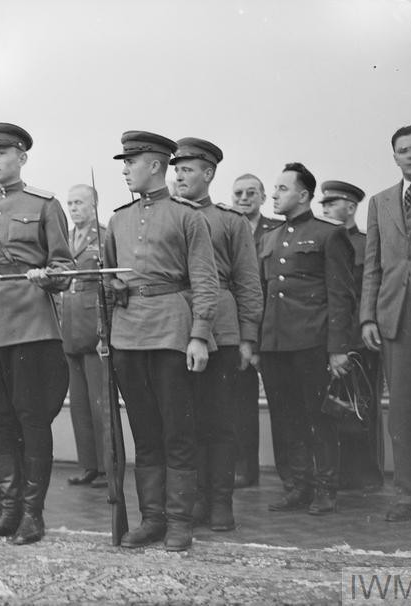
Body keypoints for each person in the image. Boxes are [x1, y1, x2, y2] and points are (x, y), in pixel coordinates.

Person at [105, 131, 219, 551]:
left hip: (171, 331)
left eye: (130, 162)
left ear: (154, 165)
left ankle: (179, 522)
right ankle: (152, 519)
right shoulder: (117, 220)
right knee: (144, 433)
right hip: (127, 334)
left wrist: (199, 336)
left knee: (178, 432)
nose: (124, 170)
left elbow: (205, 281)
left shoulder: (188, 216)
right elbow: (107, 283)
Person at [0, 122, 72, 545]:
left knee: (31, 418)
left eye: (2, 153)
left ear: (22, 158)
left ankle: (32, 515)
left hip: (29, 323)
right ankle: (8, 512)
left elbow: (64, 267)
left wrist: (49, 276)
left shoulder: (45, 204)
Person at [171, 139, 263, 532]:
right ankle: (196, 500)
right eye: (177, 169)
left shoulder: (230, 221)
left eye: (188, 169)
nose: (180, 176)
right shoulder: (167, 216)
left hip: (222, 331)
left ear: (208, 174)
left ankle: (221, 502)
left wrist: (247, 337)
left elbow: (248, 282)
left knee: (220, 421)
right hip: (176, 327)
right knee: (186, 421)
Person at [259, 162, 354, 516]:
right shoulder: (268, 239)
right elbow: (262, 293)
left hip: (312, 342)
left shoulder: (329, 235)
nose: (274, 194)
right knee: (286, 418)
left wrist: (338, 348)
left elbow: (341, 295)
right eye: (275, 188)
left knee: (319, 418)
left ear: (303, 195)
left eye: (282, 189)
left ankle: (326, 488)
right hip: (274, 344)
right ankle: (298, 486)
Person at [361, 124, 411, 522]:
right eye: (404, 150)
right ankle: (408, 495)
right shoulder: (380, 201)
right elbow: (372, 264)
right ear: (395, 157)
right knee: (400, 408)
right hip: (394, 313)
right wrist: (368, 316)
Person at [320, 180, 384, 490]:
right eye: (324, 204)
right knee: (331, 407)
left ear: (350, 206)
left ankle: (367, 475)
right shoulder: (322, 241)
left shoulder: (366, 244)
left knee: (363, 406)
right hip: (327, 338)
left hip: (360, 340)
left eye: (332, 204)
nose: (326, 209)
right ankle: (336, 474)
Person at [230, 174, 284, 489]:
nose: (244, 198)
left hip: (274, 329)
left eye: (251, 193)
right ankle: (244, 469)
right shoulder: (226, 229)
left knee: (283, 403)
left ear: (263, 197)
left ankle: (292, 475)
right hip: (240, 330)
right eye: (238, 193)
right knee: (240, 405)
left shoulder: (277, 230)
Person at [62, 184, 109, 488]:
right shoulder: (64, 238)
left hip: (94, 325)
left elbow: (108, 285)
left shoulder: (103, 236)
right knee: (79, 403)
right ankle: (89, 465)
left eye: (79, 202)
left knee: (99, 402)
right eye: (70, 203)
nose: (73, 208)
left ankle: (107, 467)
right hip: (69, 324)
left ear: (94, 205)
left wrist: (105, 330)